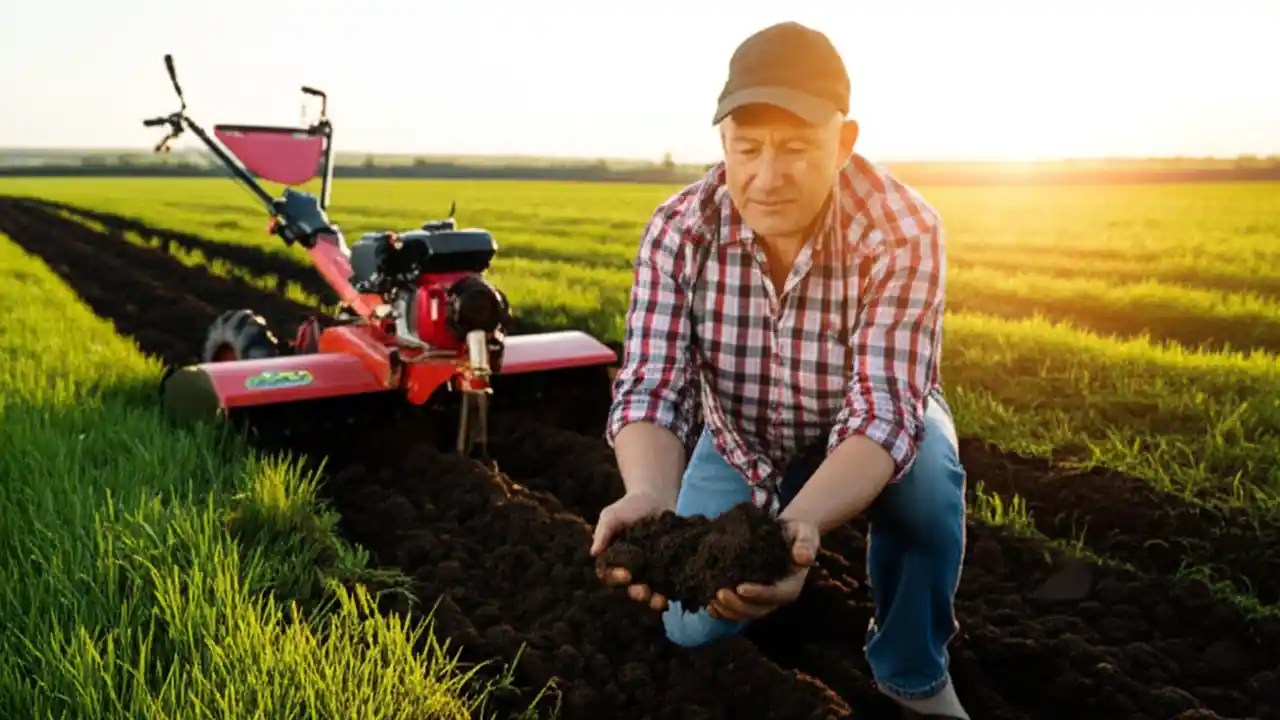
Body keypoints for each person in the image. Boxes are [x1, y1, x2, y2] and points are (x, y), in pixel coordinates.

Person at [588, 20, 970, 720]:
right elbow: (652, 384)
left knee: (928, 494)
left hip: (865, 431)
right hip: (743, 436)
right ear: (724, 143)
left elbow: (884, 408)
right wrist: (649, 496)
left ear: (844, 143)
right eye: (748, 148)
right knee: (690, 626)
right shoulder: (680, 231)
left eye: (796, 148)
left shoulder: (903, 229)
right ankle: (768, 595)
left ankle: (911, 670)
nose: (767, 177)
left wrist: (790, 533)